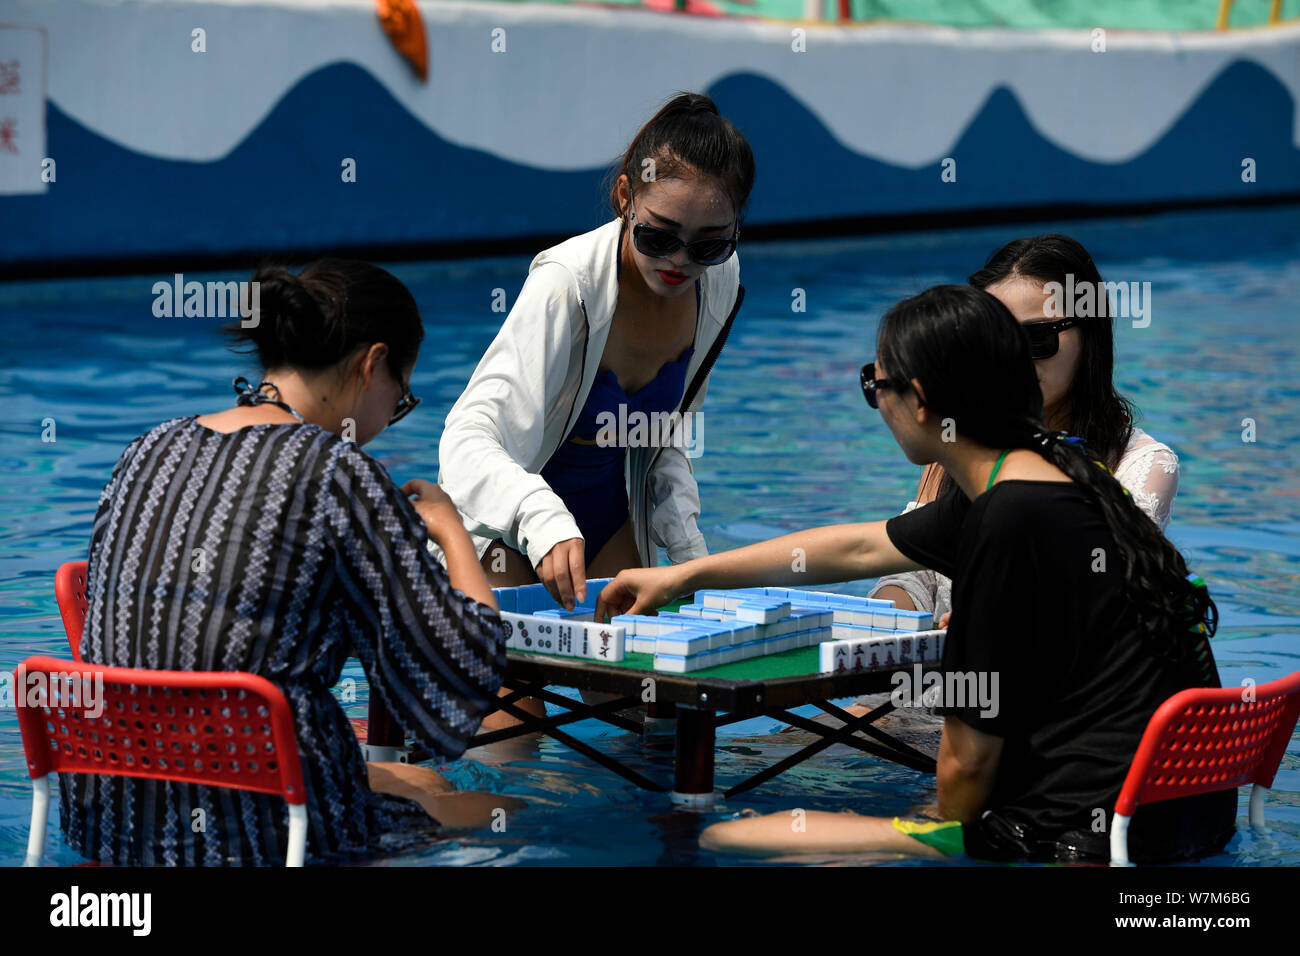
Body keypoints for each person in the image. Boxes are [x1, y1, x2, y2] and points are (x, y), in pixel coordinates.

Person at [595, 284, 1236, 863]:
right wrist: (686, 577)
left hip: (1090, 840)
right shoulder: (1055, 474)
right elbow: (859, 549)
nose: (877, 402)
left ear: (921, 402)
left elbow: (965, 765)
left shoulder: (1007, 521)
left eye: (878, 386)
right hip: (1194, 815)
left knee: (726, 836)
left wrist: (910, 835)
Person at [60, 259, 520, 866]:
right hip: (259, 828)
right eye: (400, 398)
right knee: (504, 815)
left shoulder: (144, 451)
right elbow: (465, 669)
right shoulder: (337, 472)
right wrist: (451, 529)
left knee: (415, 783)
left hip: (111, 811)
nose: (389, 417)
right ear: (371, 364)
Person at [436, 91, 754, 612]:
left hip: (607, 527)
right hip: (505, 532)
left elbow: (664, 435)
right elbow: (466, 437)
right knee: (514, 697)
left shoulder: (719, 280)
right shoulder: (567, 286)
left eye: (709, 244)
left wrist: (690, 554)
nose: (680, 261)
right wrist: (540, 516)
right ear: (625, 196)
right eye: (659, 236)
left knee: (645, 695)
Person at [872, 235, 1180, 623]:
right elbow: (911, 569)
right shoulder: (958, 445)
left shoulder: (1143, 464)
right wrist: (883, 624)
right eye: (996, 340)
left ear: (1091, 333)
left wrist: (990, 624)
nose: (1014, 358)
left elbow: (1097, 592)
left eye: (1037, 338)